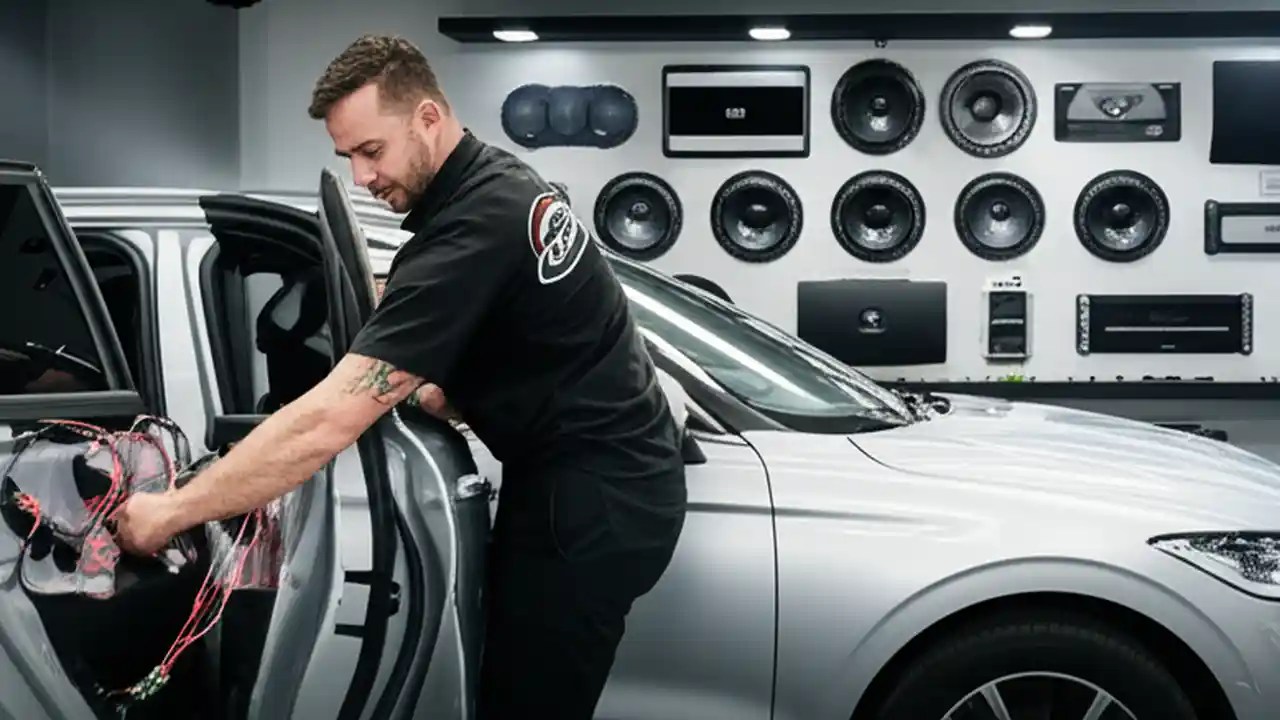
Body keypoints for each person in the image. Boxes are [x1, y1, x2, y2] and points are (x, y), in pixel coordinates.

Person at [114, 33, 688, 719]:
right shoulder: (500, 187)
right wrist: (443, 382)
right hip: (610, 483)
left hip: (590, 505)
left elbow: (328, 420)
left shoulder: (472, 228)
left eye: (372, 151)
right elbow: (524, 336)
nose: (361, 177)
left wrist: (170, 511)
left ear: (427, 118)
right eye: (347, 157)